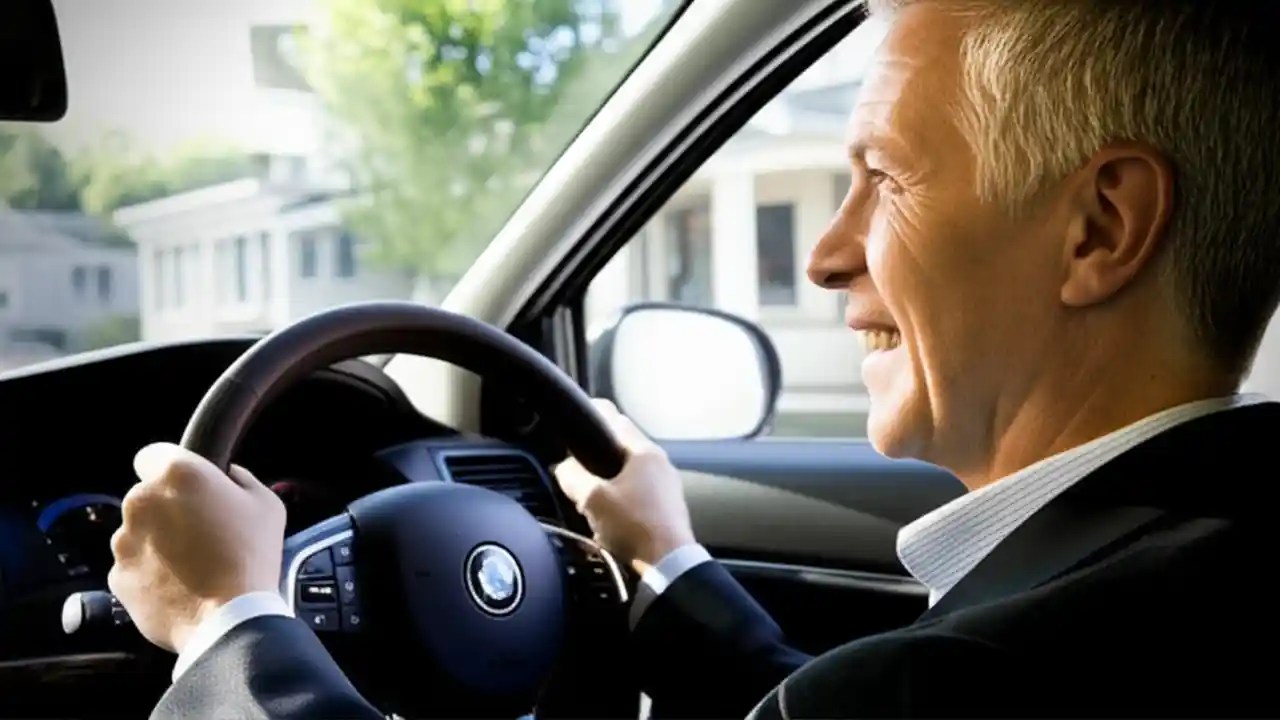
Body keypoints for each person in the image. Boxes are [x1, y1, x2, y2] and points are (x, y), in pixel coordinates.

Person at [111, 0, 1280, 718]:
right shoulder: (1206, 588)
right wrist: (666, 561)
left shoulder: (965, 683)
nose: (826, 256)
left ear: (1098, 230)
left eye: (883, 178)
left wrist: (230, 623)